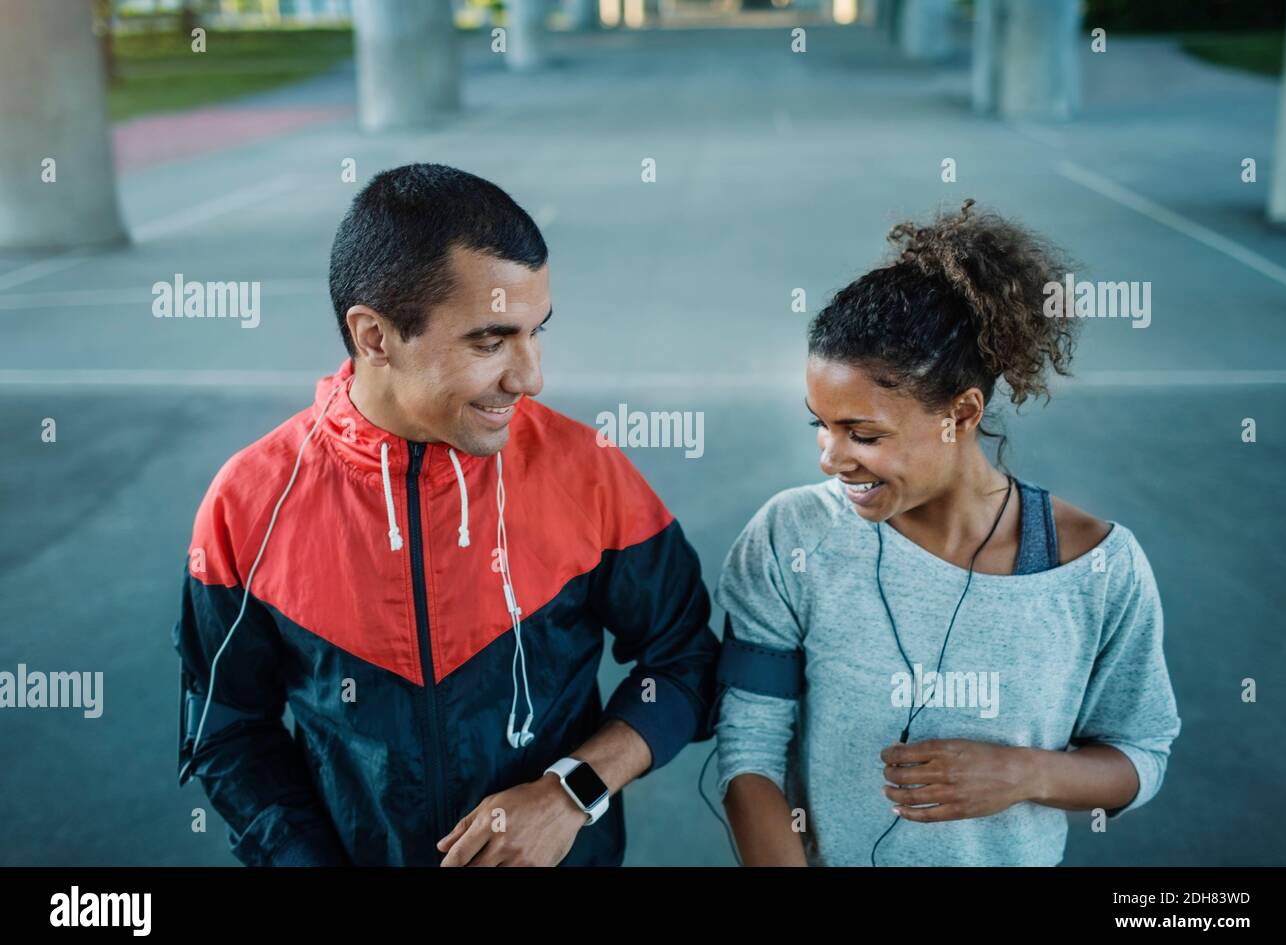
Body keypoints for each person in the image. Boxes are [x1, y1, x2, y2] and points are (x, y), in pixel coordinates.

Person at [173, 163, 719, 866]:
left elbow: (685, 662)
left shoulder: (589, 470)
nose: (530, 376)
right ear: (375, 337)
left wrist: (571, 790)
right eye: (490, 341)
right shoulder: (248, 503)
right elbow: (227, 731)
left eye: (535, 332)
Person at [712, 200, 1181, 866]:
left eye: (864, 434)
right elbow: (749, 749)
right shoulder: (792, 538)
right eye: (819, 422)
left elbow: (1141, 752)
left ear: (960, 415)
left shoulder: (1098, 567)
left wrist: (1027, 773)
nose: (831, 457)